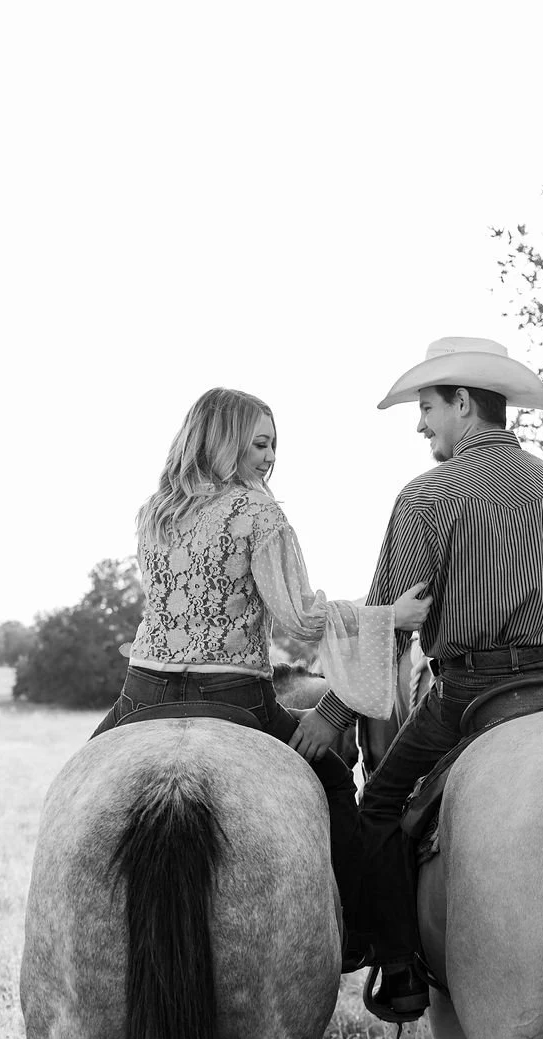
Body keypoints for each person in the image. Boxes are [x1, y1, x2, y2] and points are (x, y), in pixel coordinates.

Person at [290, 337, 543, 1020]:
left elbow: (388, 621)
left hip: (474, 688)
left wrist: (332, 713)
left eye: (427, 408)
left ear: (462, 404)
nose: (421, 425)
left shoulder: (425, 496)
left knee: (380, 809)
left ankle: (399, 970)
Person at [92, 386, 432, 970]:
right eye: (259, 443)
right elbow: (298, 617)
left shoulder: (156, 510)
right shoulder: (258, 513)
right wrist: (389, 617)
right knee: (331, 781)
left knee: (83, 788)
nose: (270, 457)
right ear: (222, 440)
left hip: (142, 691)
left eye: (274, 445)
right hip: (234, 695)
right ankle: (358, 934)